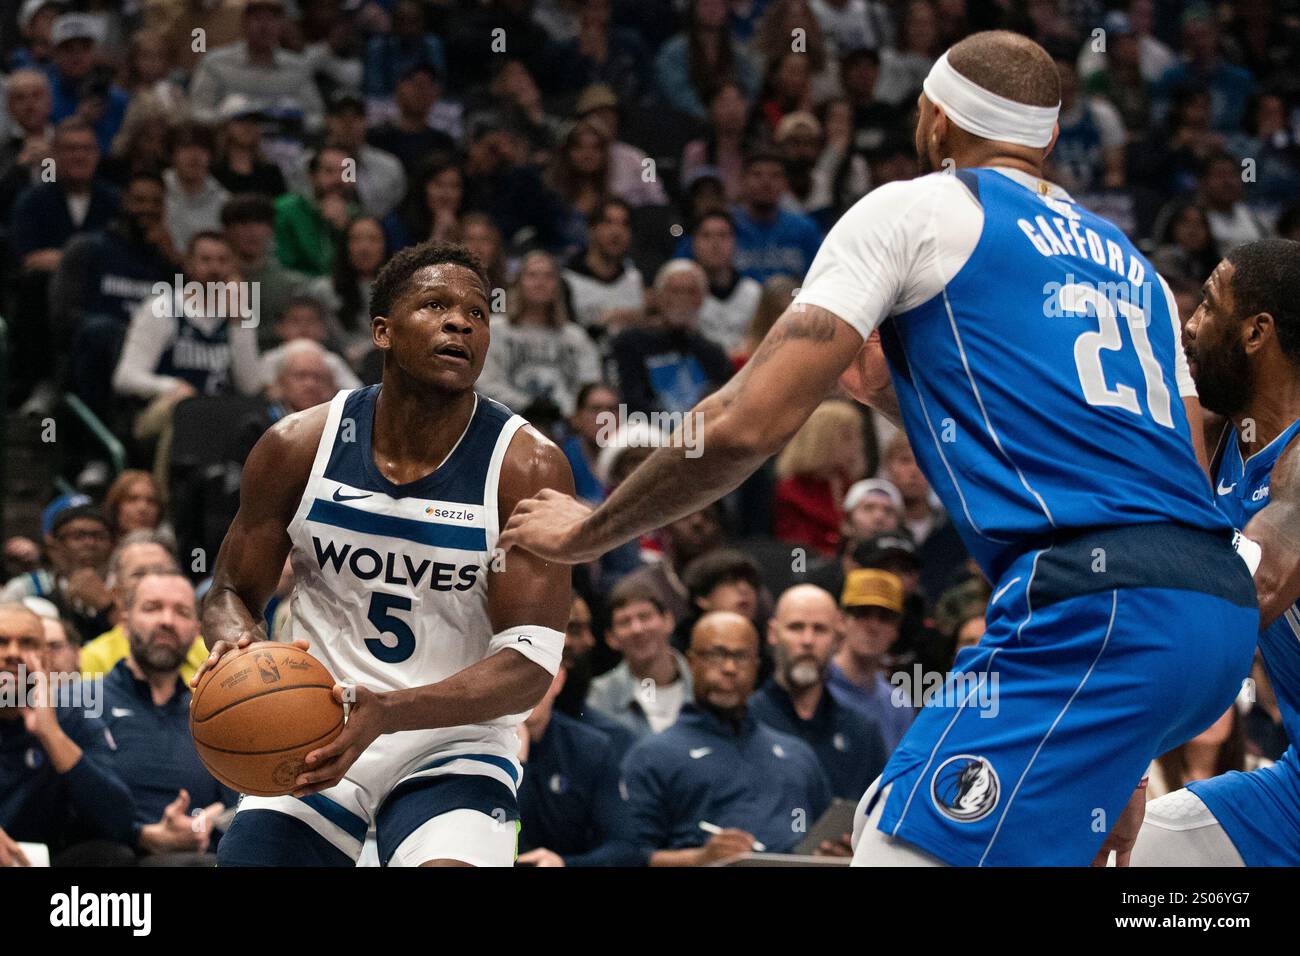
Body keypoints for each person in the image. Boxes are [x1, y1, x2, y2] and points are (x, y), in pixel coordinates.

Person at [499, 31, 1258, 868]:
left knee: (896, 845)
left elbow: (748, 424)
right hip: (1211, 615)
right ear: (1047, 140)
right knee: (888, 822)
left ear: (933, 119)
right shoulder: (1139, 269)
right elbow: (1170, 462)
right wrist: (1118, 743)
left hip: (1096, 610)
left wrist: (588, 531)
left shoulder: (916, 207)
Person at [198, 241, 573, 868]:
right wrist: (239, 644)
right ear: (383, 332)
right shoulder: (298, 445)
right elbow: (231, 590)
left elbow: (528, 668)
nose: (461, 322)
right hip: (313, 723)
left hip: (455, 741)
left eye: (478, 313)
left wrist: (390, 711)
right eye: (435, 305)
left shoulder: (526, 467)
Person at [1133, 239, 1300, 867]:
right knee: (1136, 858)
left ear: (1257, 332)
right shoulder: (1218, 442)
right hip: (1294, 792)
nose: (1189, 325)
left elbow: (1244, 593)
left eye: (1206, 304)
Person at [621, 611, 832, 864]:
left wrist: (832, 851)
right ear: (691, 662)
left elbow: (825, 837)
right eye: (716, 654)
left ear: (756, 666)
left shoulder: (797, 754)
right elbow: (629, 856)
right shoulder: (651, 755)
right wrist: (700, 858)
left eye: (741, 657)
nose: (729, 668)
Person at [102, 571, 232, 863]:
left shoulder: (212, 714)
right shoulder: (85, 701)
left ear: (198, 629)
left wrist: (201, 823)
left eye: (182, 612)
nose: (167, 621)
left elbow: (236, 802)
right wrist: (142, 835)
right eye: (152, 608)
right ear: (124, 621)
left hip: (201, 857)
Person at [0, 602, 135, 866]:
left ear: (47, 661)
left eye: (27, 643)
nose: (13, 653)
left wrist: (51, 734)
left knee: (112, 857)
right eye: (1, 642)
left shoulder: (73, 715)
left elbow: (120, 823)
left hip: (45, 860)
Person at [750, 584, 890, 801]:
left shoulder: (862, 732)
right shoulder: (745, 722)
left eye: (820, 629)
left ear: (838, 639)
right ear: (772, 633)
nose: (807, 641)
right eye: (796, 627)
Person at [515, 666, 644, 867]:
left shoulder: (591, 748)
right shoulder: (473, 747)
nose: (524, 689)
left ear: (558, 680)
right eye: (514, 678)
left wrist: (564, 864)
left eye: (534, 675)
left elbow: (627, 848)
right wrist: (517, 766)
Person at [79, 532, 208, 683]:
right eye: (139, 574)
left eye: (162, 572)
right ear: (117, 594)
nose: (153, 581)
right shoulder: (94, 657)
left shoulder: (208, 654)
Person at [585, 582, 691, 740]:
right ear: (611, 638)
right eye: (624, 622)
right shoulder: (598, 697)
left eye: (644, 617)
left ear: (668, 621)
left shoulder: (705, 684)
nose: (637, 629)